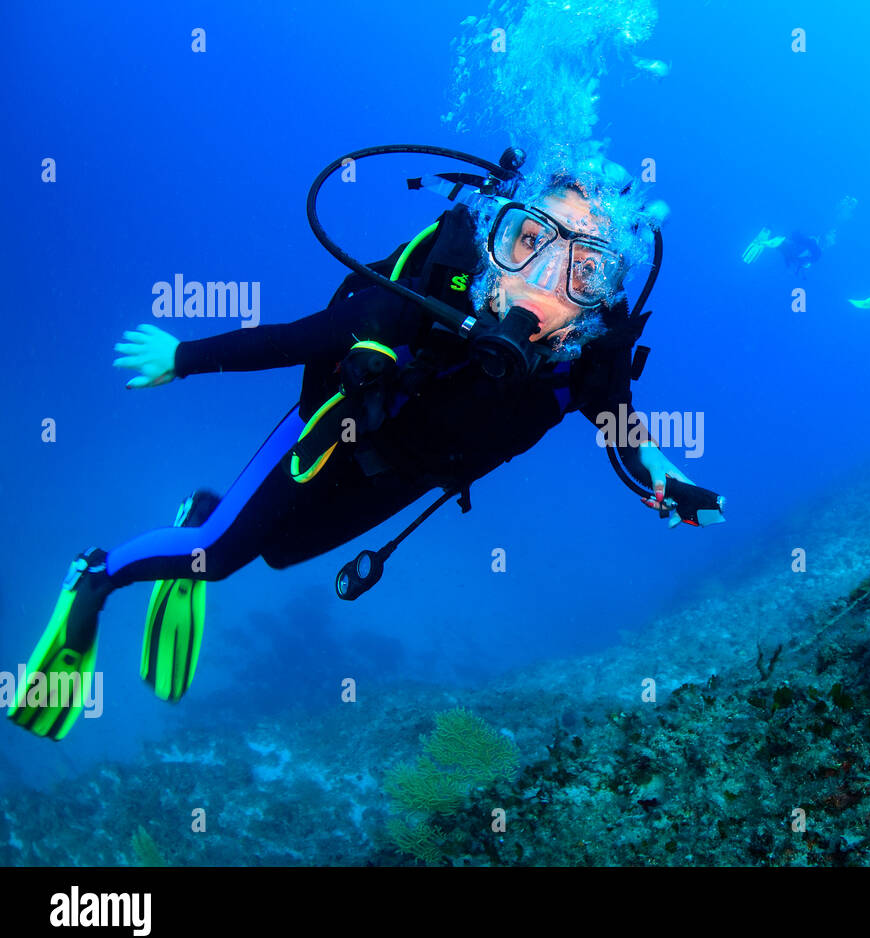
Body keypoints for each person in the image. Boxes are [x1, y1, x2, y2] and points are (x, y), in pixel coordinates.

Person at [10, 154, 724, 741]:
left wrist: (669, 481)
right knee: (222, 557)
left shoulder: (584, 364)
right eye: (531, 241)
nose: (541, 281)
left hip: (399, 478)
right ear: (499, 235)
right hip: (334, 429)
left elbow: (626, 436)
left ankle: (205, 511)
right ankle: (97, 574)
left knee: (280, 553)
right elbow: (303, 336)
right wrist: (184, 354)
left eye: (585, 269)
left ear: (604, 297)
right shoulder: (435, 292)